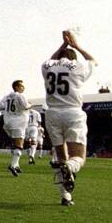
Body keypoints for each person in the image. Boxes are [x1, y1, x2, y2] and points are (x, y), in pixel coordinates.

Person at [41, 30, 97, 206]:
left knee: (61, 156)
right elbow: (93, 61)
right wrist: (76, 45)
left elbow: (51, 60)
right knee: (78, 158)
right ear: (74, 58)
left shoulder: (47, 66)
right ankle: (70, 168)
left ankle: (66, 196)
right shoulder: (77, 67)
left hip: (52, 113)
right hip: (72, 112)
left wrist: (63, 45)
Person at [0, 81, 30, 176]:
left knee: (15, 144)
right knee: (19, 146)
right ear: (17, 87)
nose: (23, 88)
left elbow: (0, 106)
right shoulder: (20, 95)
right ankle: (12, 165)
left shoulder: (7, 96)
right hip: (18, 122)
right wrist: (30, 104)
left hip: (8, 122)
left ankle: (16, 165)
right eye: (22, 86)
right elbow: (25, 106)